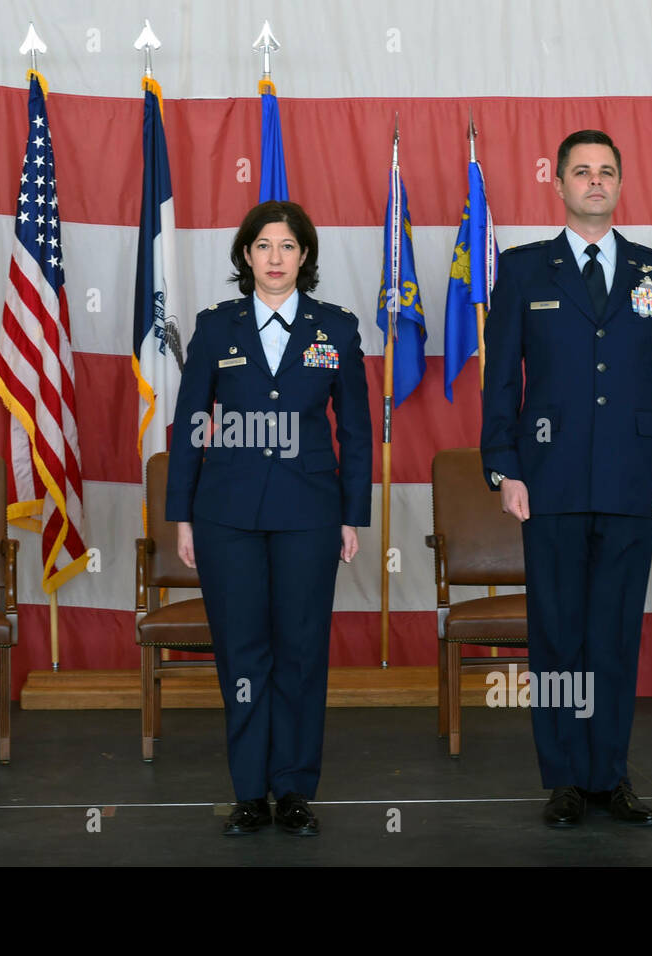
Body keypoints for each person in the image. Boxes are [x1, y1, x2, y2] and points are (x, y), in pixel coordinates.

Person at [481, 130, 652, 828]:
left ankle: (611, 775)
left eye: (606, 172)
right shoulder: (522, 270)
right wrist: (504, 465)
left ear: (620, 184)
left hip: (634, 480)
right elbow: (499, 379)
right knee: (559, 635)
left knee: (615, 633)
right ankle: (566, 778)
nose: (594, 181)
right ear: (560, 185)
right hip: (549, 479)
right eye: (582, 171)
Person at [165, 200, 372, 836]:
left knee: (303, 652)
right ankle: (251, 791)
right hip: (226, 514)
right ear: (246, 256)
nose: (275, 258)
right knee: (243, 654)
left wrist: (351, 516)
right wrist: (182, 517)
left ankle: (295, 790)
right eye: (263, 246)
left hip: (310, 514)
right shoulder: (215, 328)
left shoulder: (335, 329)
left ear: (303, 256)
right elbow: (191, 426)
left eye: (287, 247)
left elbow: (357, 432)